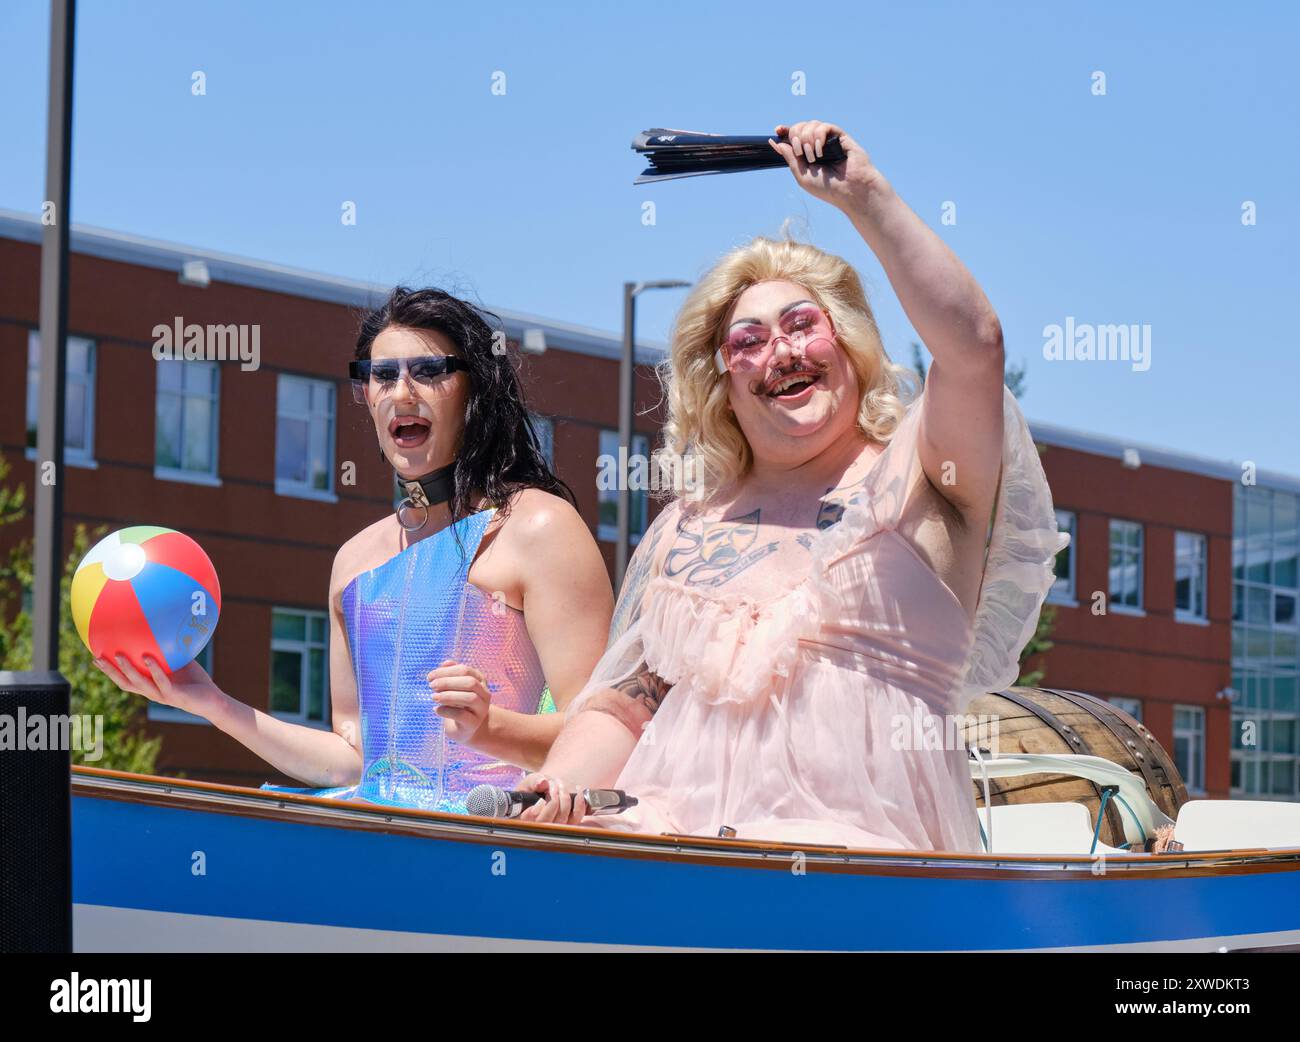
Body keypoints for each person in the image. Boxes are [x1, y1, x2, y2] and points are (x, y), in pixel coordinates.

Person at [519, 120, 1068, 852]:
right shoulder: (686, 524)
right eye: (747, 341)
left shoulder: (926, 474)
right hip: (672, 851)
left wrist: (865, 197)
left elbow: (974, 346)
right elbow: (622, 707)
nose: (780, 351)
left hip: (859, 866)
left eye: (802, 324)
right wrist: (556, 795)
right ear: (722, 381)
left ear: (846, 340)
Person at [96, 287, 613, 813]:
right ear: (366, 395)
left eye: (430, 370)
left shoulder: (538, 526)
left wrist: (490, 726)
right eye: (383, 375)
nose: (402, 392)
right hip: (368, 840)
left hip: (490, 849)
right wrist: (206, 701)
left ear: (473, 388)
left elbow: (606, 729)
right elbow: (350, 760)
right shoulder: (354, 561)